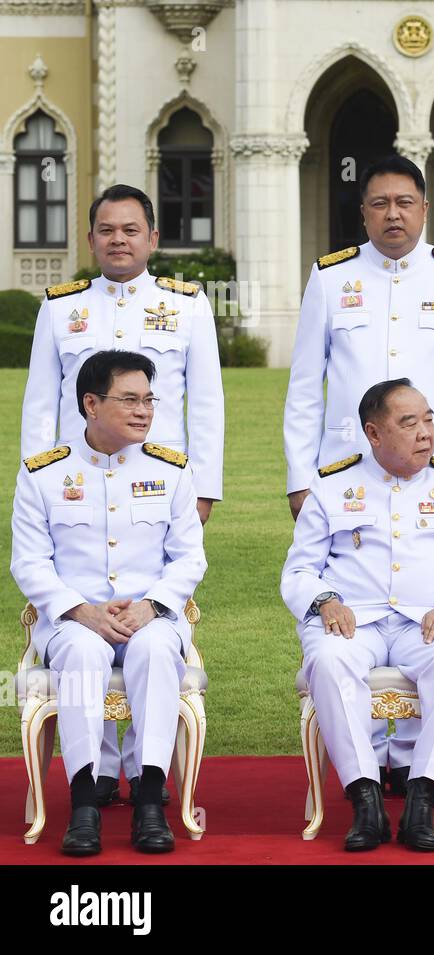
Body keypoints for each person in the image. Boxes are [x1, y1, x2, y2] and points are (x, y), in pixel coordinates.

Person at [284, 154, 434, 794]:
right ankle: (367, 770)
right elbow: (305, 384)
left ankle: (408, 768)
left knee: (430, 609)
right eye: (379, 203)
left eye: (404, 202)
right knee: (353, 595)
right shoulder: (332, 278)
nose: (392, 214)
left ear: (424, 208)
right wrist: (302, 476)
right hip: (348, 469)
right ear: (364, 212)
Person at [21, 183, 223, 806]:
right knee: (90, 622)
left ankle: (144, 773)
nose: (118, 240)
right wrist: (38, 481)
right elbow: (39, 405)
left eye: (131, 230)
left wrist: (205, 487)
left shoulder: (186, 305)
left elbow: (207, 401)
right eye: (106, 230)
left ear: (153, 239)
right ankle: (99, 774)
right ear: (91, 240)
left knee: (146, 618)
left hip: (160, 491)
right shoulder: (61, 308)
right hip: (75, 489)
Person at [281, 379, 434, 852]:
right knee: (327, 661)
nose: (426, 432)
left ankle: (422, 798)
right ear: (373, 433)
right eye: (409, 423)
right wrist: (325, 600)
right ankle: (365, 800)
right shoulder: (331, 485)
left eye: (429, 419)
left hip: (430, 621)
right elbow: (299, 568)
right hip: (353, 620)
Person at [11, 350, 207, 855]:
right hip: (74, 619)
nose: (144, 411)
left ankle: (148, 801)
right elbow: (29, 563)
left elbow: (189, 560)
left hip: (150, 615)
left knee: (157, 651)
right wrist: (81, 611)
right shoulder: (43, 473)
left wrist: (152, 605)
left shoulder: (174, 470)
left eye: (148, 400)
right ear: (91, 404)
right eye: (129, 400)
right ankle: (83, 806)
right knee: (80, 653)